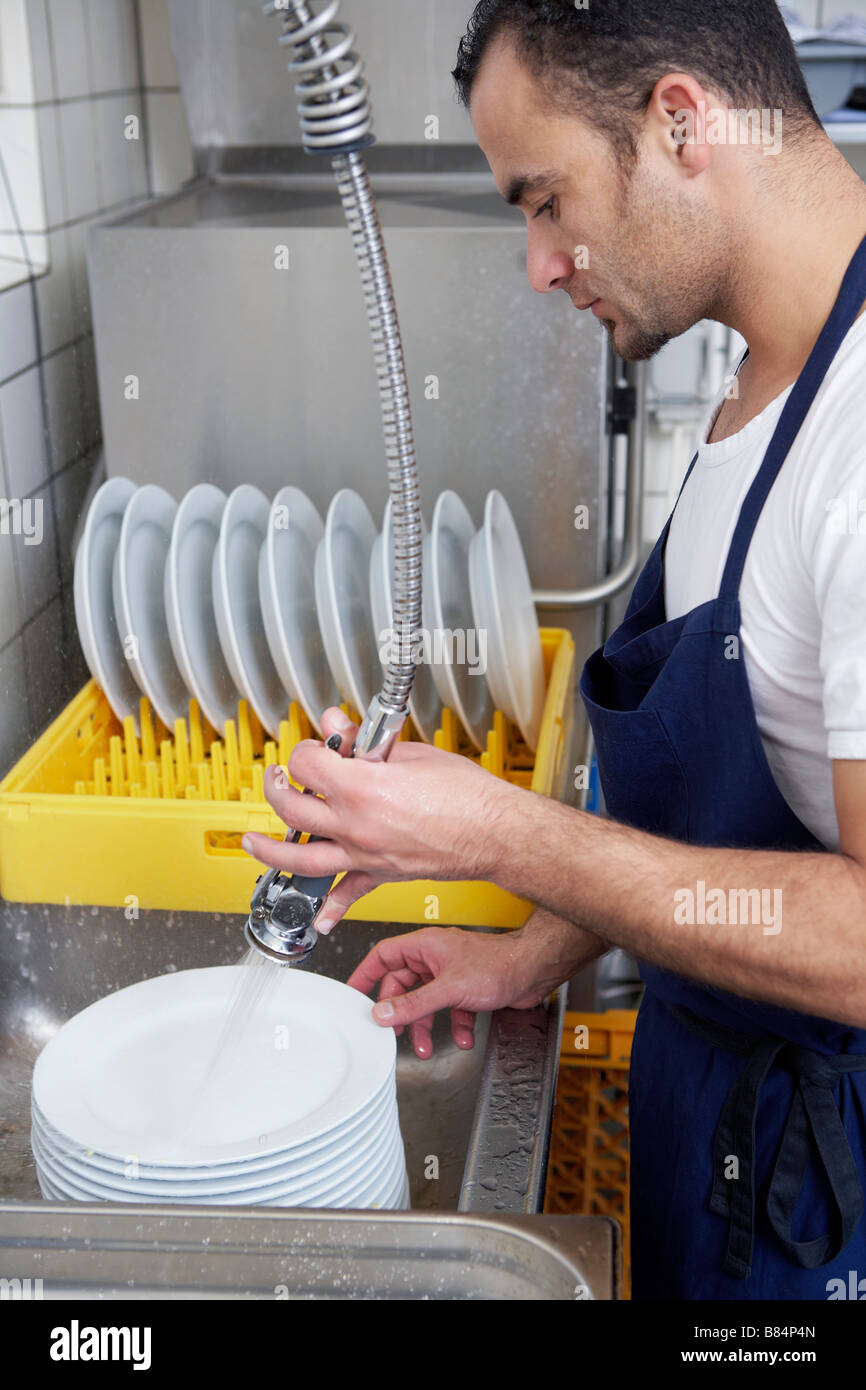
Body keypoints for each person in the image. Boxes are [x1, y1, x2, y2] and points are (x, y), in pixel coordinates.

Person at [242, 0, 866, 1300]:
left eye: (544, 198)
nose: (536, 261)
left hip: (827, 1182)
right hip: (720, 1100)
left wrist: (501, 834)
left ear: (681, 123)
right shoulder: (761, 369)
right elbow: (741, 816)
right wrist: (539, 941)